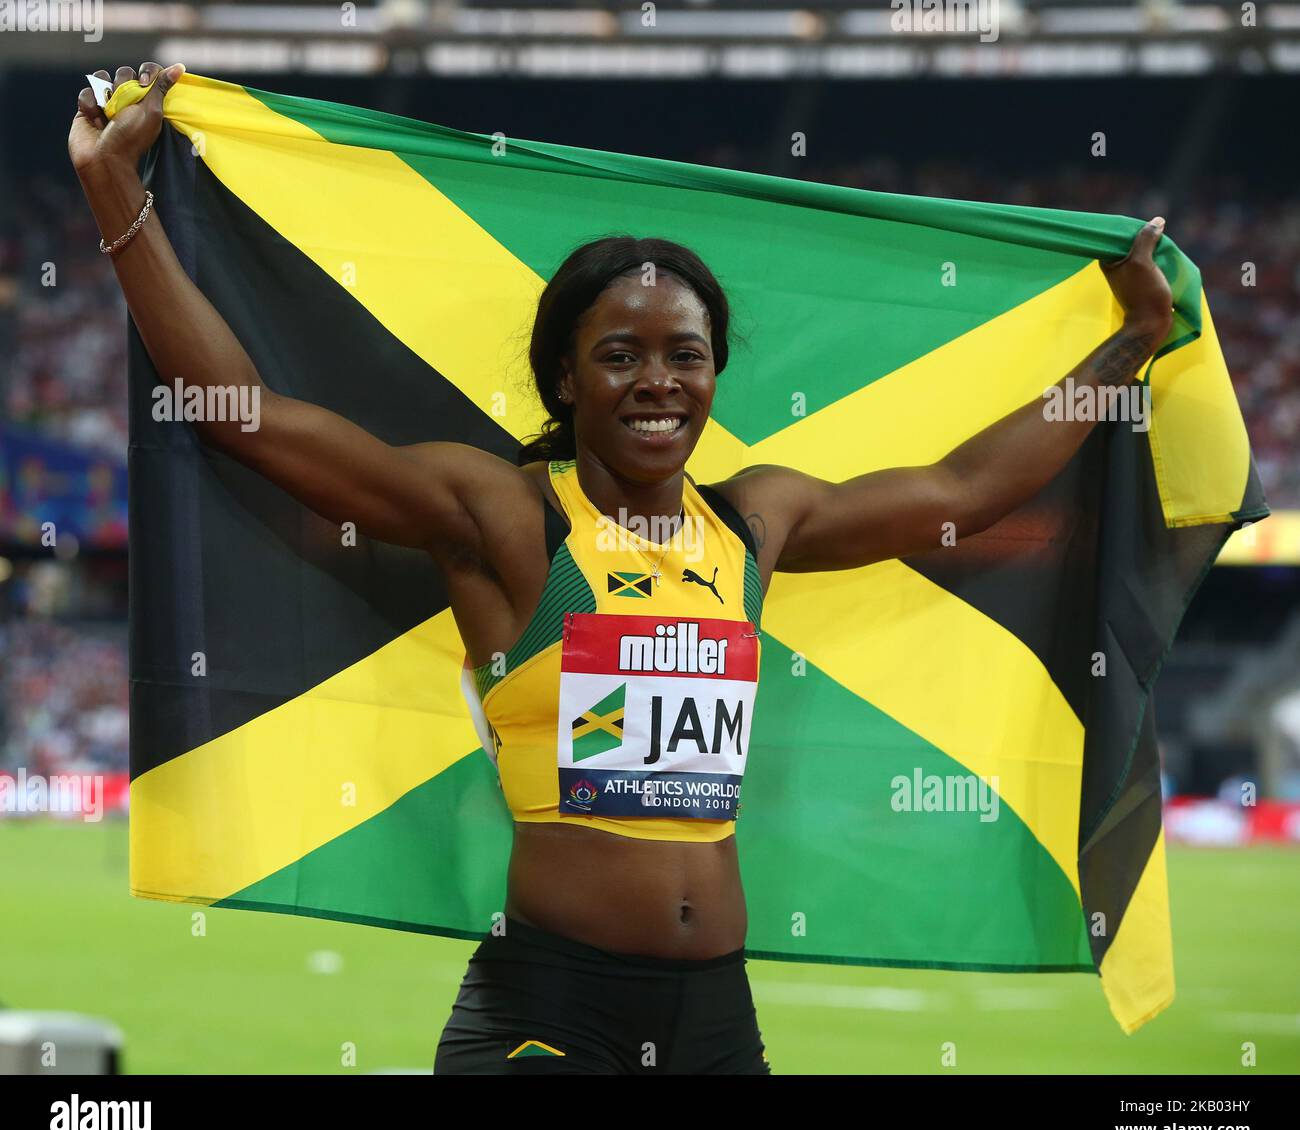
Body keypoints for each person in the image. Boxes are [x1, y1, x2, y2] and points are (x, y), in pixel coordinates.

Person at [70, 62, 1174, 1075]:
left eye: (684, 355)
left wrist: (1123, 350)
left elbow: (963, 492)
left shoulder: (757, 524)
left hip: (718, 1020)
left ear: (714, 378)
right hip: (553, 1009)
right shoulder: (505, 516)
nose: (658, 381)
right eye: (620, 355)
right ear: (565, 381)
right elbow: (252, 421)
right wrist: (119, 198)